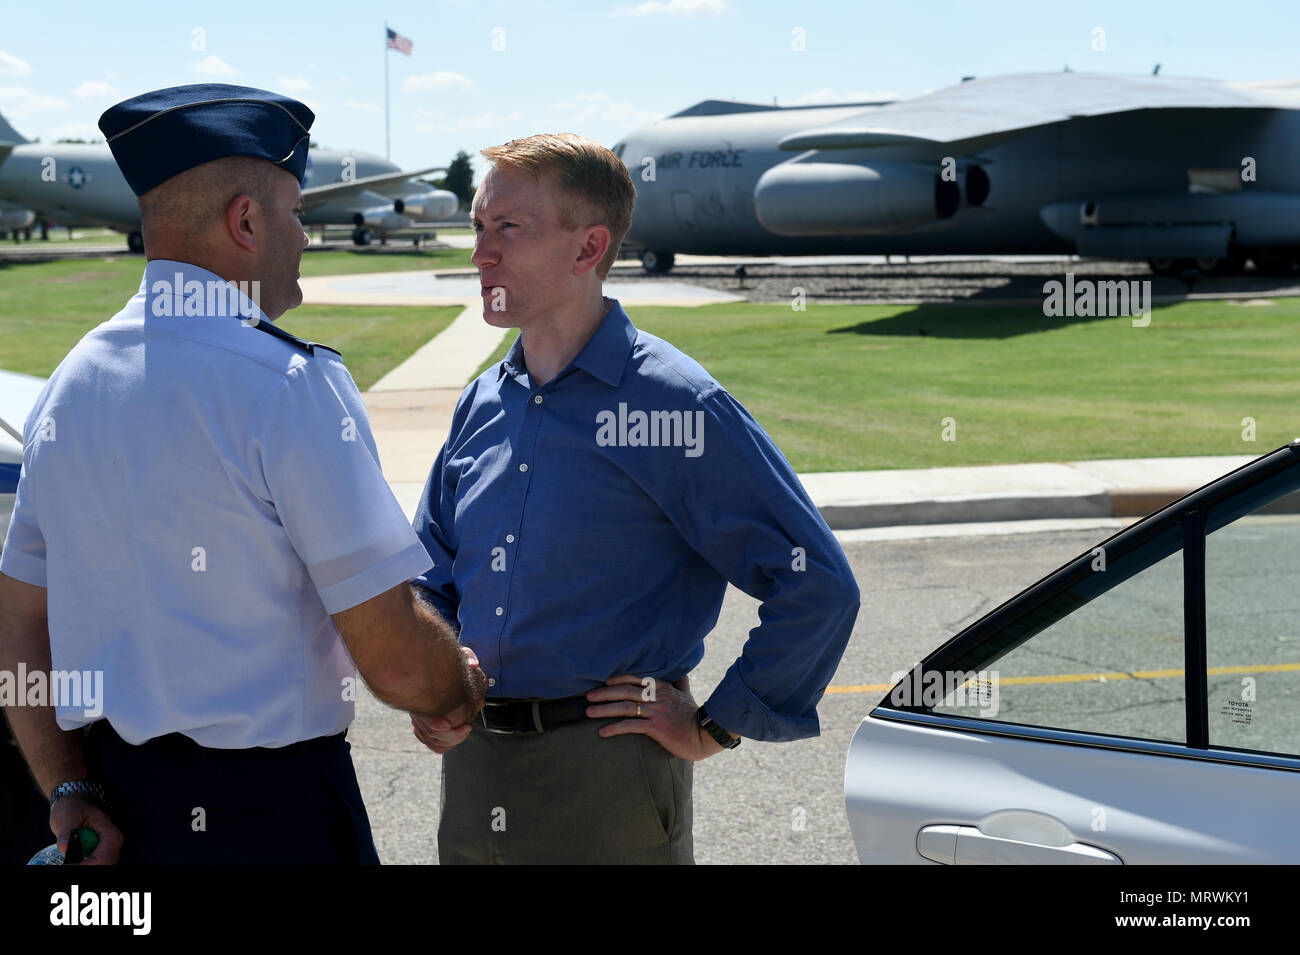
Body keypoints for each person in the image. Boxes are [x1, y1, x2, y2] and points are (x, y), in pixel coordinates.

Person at [0, 83, 485, 865]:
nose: (303, 236)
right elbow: (395, 659)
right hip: (272, 822)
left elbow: (17, 624)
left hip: (116, 819)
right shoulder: (289, 386)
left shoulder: (70, 383)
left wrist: (68, 787)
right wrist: (455, 690)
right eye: (294, 215)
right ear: (247, 221)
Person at [409, 133, 860, 864]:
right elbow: (430, 573)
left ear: (588, 248)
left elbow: (818, 583)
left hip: (606, 776)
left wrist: (715, 725)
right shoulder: (481, 402)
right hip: (472, 771)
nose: (480, 254)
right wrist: (434, 682)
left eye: (508, 229)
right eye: (478, 228)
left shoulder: (675, 405)